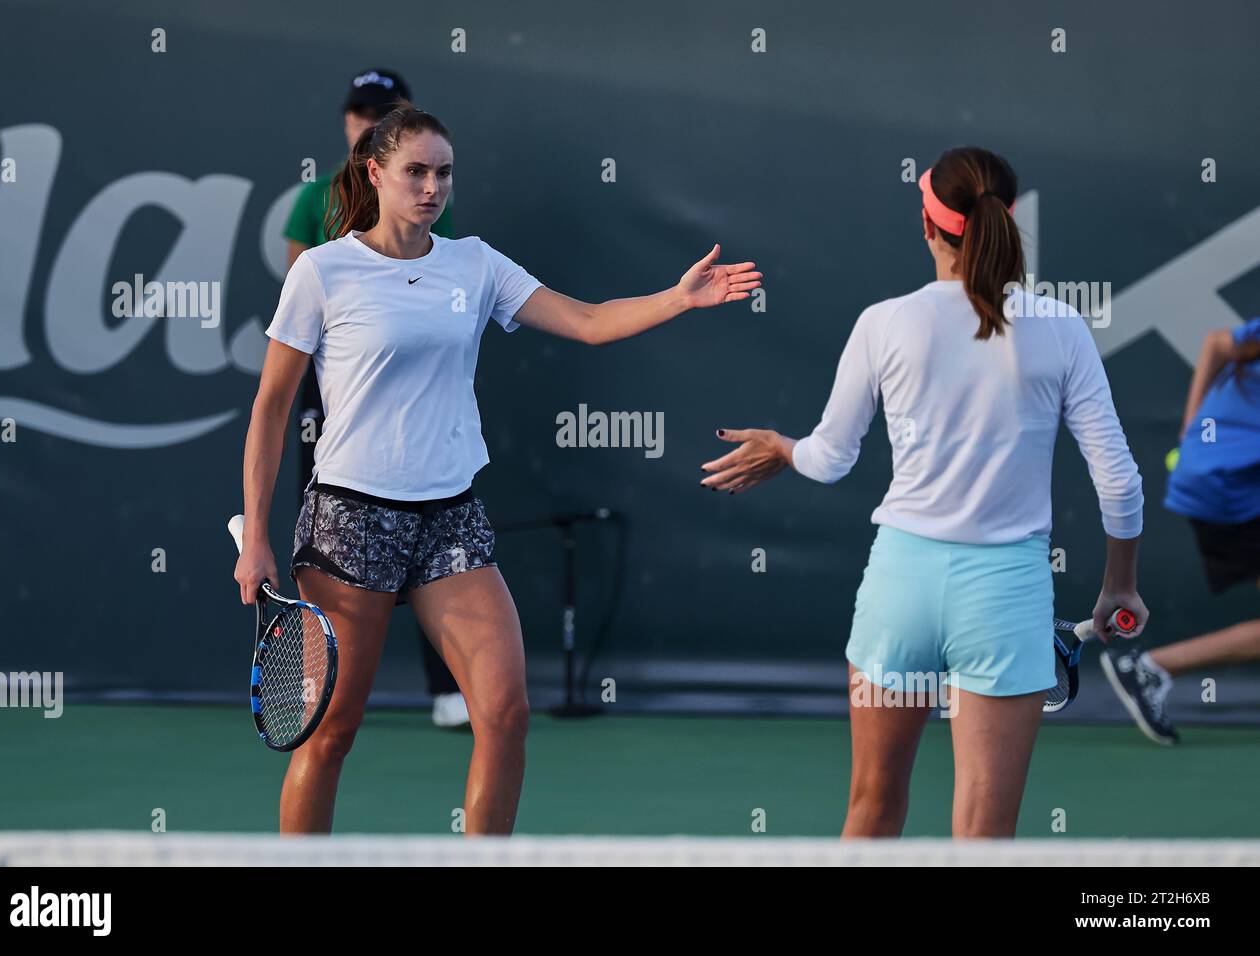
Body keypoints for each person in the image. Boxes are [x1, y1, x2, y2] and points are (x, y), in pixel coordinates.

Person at [235, 100, 760, 834]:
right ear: (374, 172)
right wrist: (257, 535)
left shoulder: (474, 263)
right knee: (329, 734)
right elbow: (271, 407)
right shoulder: (323, 272)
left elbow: (587, 322)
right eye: (415, 171)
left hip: (451, 517)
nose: (432, 187)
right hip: (350, 520)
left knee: (507, 715)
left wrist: (679, 297)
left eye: (444, 173)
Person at [698, 146, 1147, 838]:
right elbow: (1118, 478)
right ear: (1008, 219)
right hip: (1004, 600)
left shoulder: (885, 322)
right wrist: (1120, 586)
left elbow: (828, 460)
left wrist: (783, 447)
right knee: (984, 834)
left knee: (871, 811)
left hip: (900, 591)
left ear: (929, 226)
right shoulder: (1061, 328)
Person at [283, 67, 466, 729]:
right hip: (338, 389)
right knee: (330, 542)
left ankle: (446, 689)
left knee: (431, 544)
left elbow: (440, 283)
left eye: (382, 110)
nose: (368, 121)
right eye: (360, 112)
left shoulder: (428, 195)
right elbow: (300, 303)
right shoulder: (314, 202)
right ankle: (313, 685)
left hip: (424, 417)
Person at [1100, 317, 1260, 745]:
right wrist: (1192, 426)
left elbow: (1217, 342)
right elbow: (1218, 343)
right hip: (1224, 485)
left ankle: (1148, 667)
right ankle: (1148, 667)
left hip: (1222, 478)